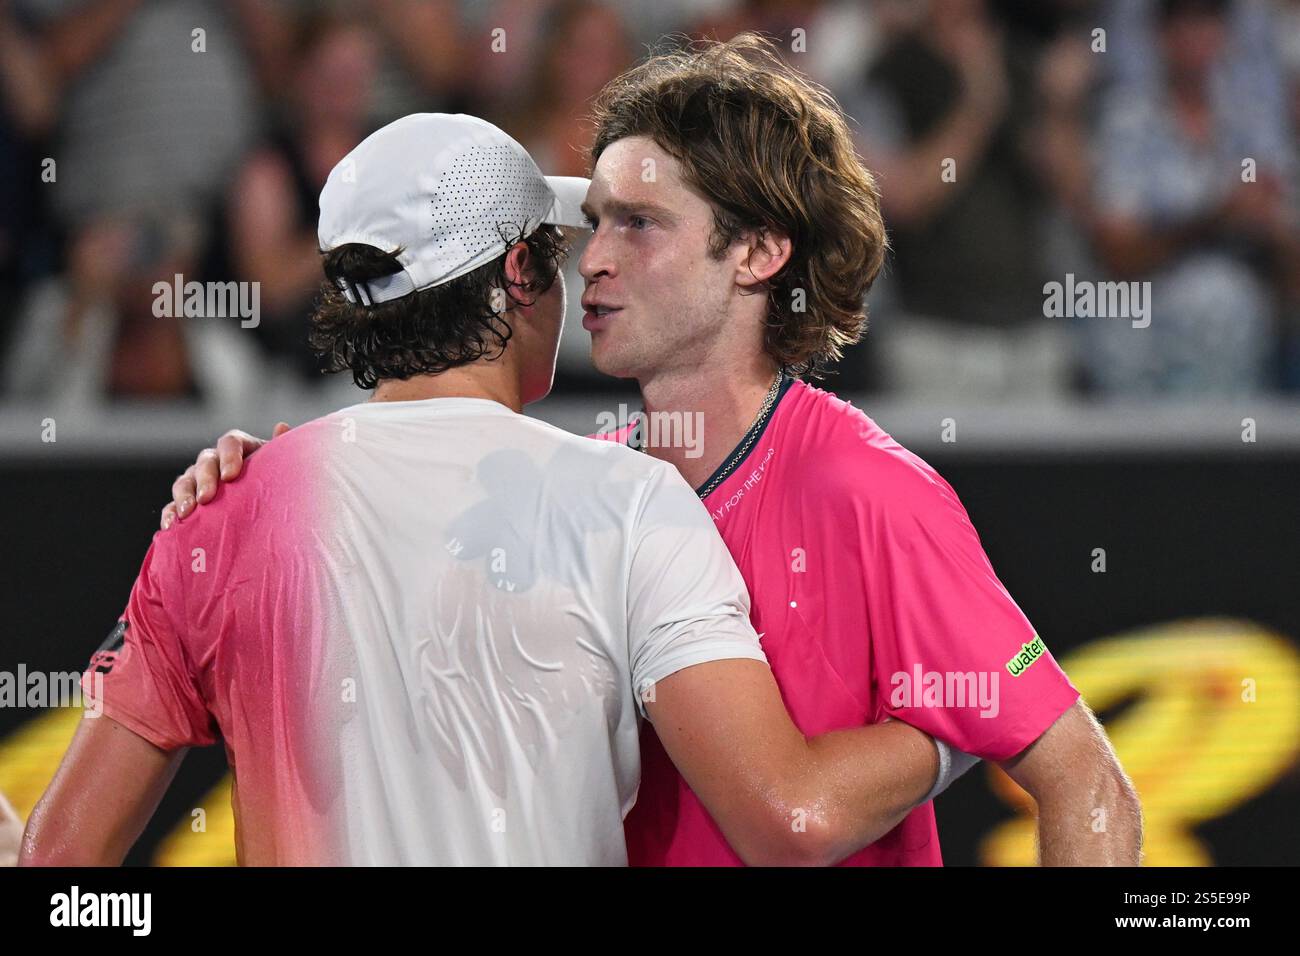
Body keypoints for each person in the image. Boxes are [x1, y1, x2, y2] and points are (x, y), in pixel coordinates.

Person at [166, 35, 1142, 866]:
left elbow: (1087, 782)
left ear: (758, 253)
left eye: (638, 224)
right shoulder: (582, 490)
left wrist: (956, 723)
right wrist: (255, 478)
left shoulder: (867, 488)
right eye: (592, 223)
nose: (589, 258)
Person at [20, 113, 960, 867]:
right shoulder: (627, 501)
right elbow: (788, 819)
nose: (577, 278)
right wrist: (954, 726)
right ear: (517, 274)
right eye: (551, 256)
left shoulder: (221, 514)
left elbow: (61, 870)